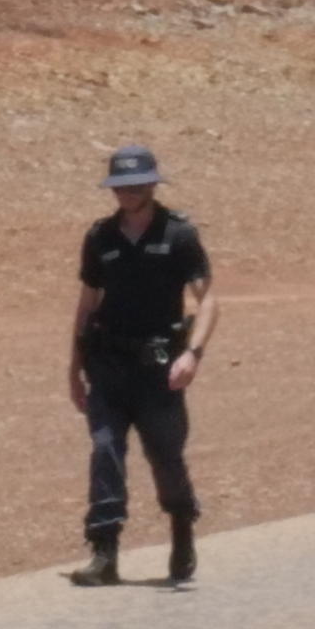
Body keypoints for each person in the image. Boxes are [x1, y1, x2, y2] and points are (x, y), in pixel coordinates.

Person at [68, 144, 212, 588]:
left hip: (159, 369)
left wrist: (194, 353)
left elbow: (209, 301)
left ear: (151, 184)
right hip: (108, 365)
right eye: (118, 186)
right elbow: (87, 304)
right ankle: (104, 552)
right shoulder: (100, 238)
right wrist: (73, 367)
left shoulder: (179, 236)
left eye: (133, 184)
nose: (125, 193)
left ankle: (182, 524)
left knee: (164, 456)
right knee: (106, 450)